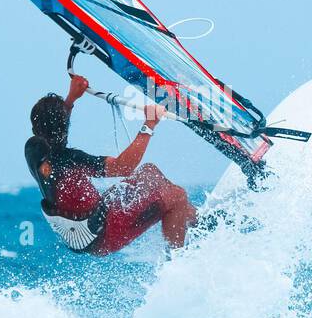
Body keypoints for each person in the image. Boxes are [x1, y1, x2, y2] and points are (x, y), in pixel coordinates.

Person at [24, 74, 198, 254]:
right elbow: (123, 167)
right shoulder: (71, 160)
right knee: (177, 196)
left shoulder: (33, 152)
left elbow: (54, 133)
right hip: (102, 235)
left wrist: (71, 99)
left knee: (149, 172)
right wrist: (149, 124)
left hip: (85, 227)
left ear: (35, 129)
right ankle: (178, 264)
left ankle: (194, 220)